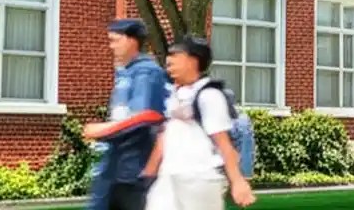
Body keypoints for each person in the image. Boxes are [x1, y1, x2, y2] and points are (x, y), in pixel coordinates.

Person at [143, 35, 256, 210]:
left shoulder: (209, 95)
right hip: (169, 178)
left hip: (200, 180)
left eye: (176, 56)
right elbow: (165, 136)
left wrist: (237, 181)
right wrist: (148, 173)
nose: (169, 62)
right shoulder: (173, 95)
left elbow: (224, 144)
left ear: (193, 61)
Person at [84, 19, 169, 210]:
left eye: (115, 40)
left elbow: (148, 116)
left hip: (134, 170)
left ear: (131, 41)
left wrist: (103, 130)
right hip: (113, 166)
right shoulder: (125, 73)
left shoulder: (147, 72)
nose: (111, 46)